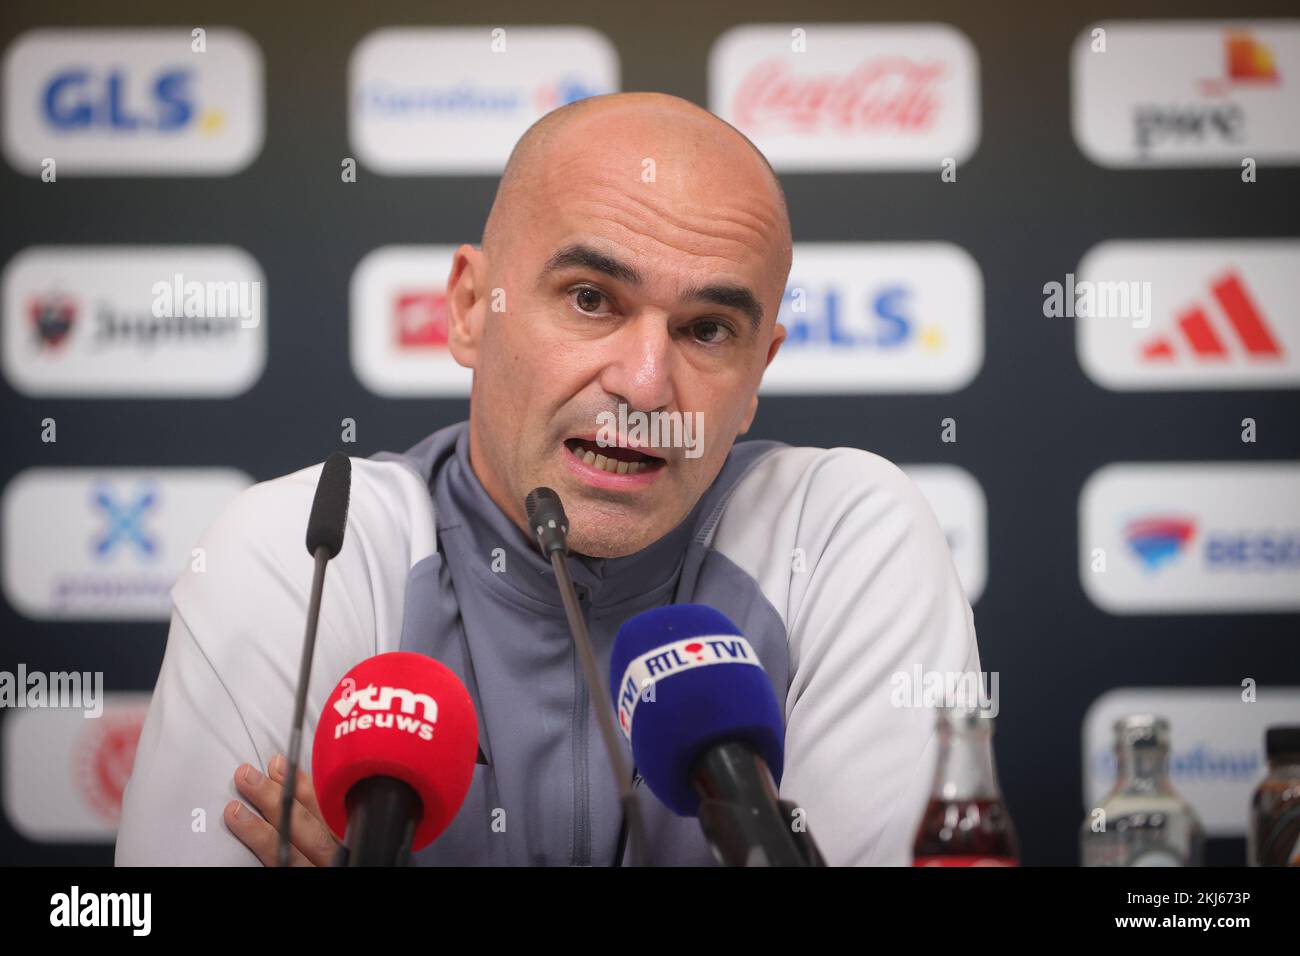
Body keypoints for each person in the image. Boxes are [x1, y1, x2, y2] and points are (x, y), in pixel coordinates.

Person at [115, 92, 980, 866]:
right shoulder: (312, 548)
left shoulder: (840, 537)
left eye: (708, 329)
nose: (644, 385)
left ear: (757, 374)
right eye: (591, 298)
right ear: (467, 309)